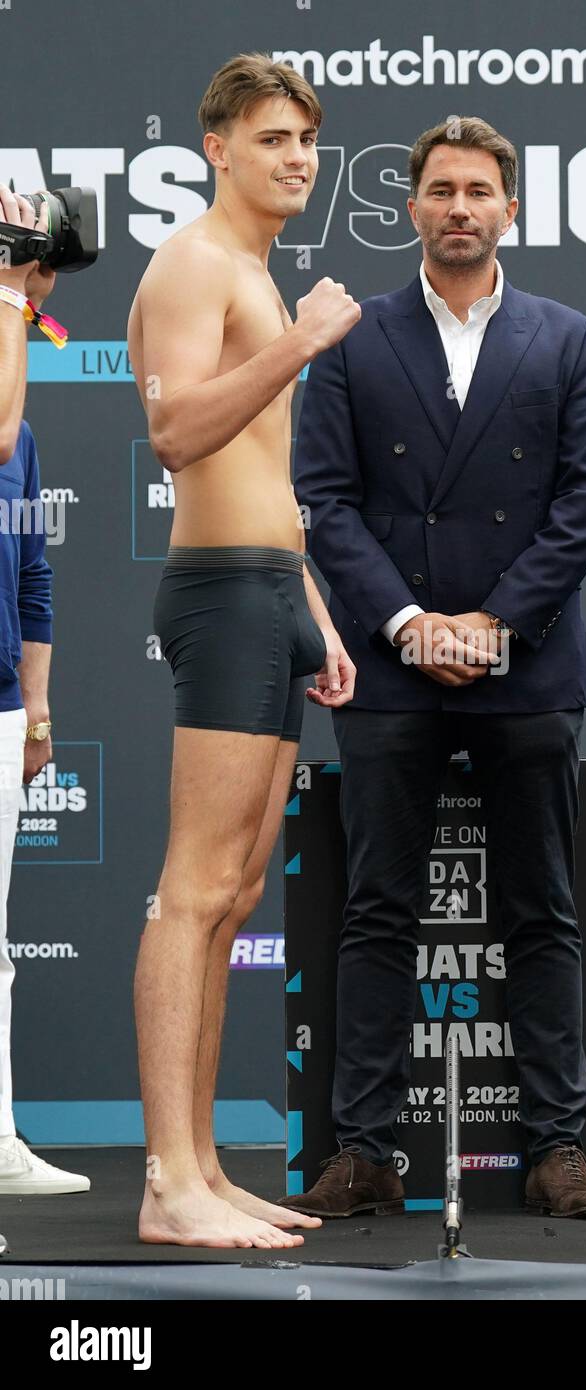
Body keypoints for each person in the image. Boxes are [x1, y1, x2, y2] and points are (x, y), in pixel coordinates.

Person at [285, 117, 586, 1221]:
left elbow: (583, 506)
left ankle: (558, 1145)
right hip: (393, 670)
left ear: (510, 207)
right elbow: (323, 502)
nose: (461, 206)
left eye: (480, 189)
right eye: (441, 189)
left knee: (544, 911)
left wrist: (493, 625)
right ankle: (364, 1150)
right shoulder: (353, 336)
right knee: (378, 909)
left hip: (526, 672)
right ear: (413, 208)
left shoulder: (568, 338)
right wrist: (409, 621)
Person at [126, 53, 360, 1249]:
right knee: (192, 889)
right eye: (272, 139)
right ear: (216, 146)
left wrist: (313, 604)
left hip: (271, 588)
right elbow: (174, 432)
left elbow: (263, 476)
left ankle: (205, 1167)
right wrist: (302, 344)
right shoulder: (193, 264)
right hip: (216, 593)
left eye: (306, 141)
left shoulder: (259, 280)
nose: (296, 160)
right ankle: (169, 1178)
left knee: (235, 896)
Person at [0, 183, 88, 1195]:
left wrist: (38, 708)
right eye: (35, 267)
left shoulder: (21, 434)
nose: (45, 288)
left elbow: (31, 572)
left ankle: (2, 1138)